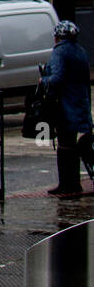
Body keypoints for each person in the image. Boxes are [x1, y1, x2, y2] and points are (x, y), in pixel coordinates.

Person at [40, 20, 93, 197]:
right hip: (80, 104)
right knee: (72, 145)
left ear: (58, 37)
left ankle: (66, 184)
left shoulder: (59, 52)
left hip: (63, 105)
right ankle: (74, 182)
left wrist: (44, 80)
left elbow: (57, 77)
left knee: (64, 146)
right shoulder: (81, 52)